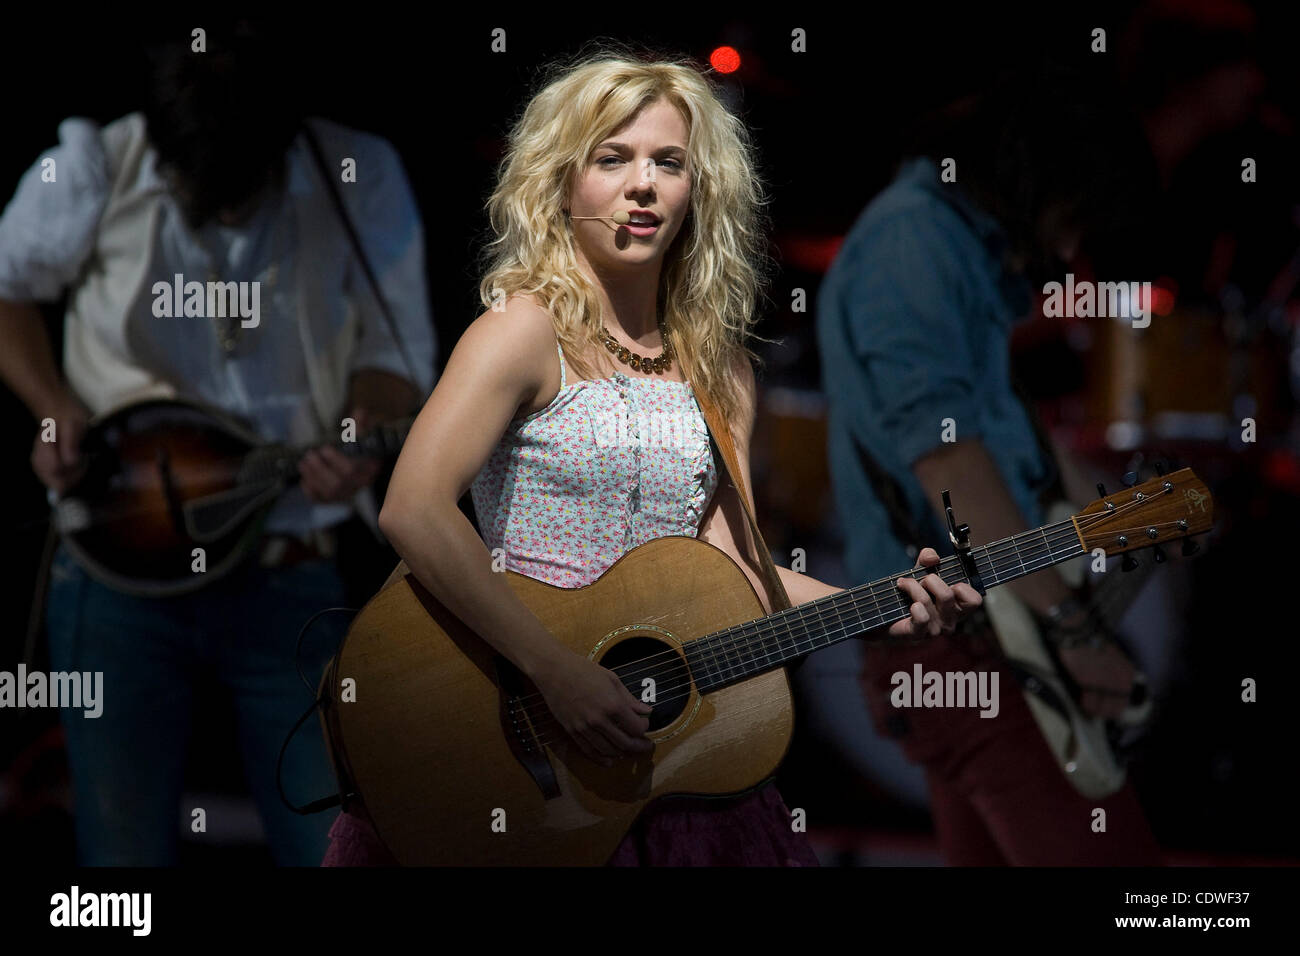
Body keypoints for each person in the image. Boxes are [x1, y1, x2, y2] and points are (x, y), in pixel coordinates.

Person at [321, 49, 983, 867]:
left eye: (669, 163)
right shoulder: (520, 333)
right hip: (512, 724)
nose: (643, 184)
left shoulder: (723, 368)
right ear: (562, 182)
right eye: (613, 158)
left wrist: (880, 605)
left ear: (697, 190)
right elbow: (413, 509)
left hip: (663, 753)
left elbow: (733, 565)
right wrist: (555, 671)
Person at [0, 24, 435, 864]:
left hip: (288, 569)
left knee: (335, 846)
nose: (222, 205)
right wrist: (52, 407)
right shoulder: (93, 166)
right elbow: (7, 288)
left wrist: (358, 434)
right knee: (120, 857)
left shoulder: (358, 174)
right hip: (111, 573)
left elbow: (396, 357)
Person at [816, 63, 1164, 864]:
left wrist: (1117, 520)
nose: (1074, 252)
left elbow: (996, 449)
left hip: (974, 639)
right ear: (1041, 179)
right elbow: (951, 465)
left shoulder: (954, 251)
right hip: (966, 645)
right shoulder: (915, 242)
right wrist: (1074, 632)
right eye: (1076, 218)